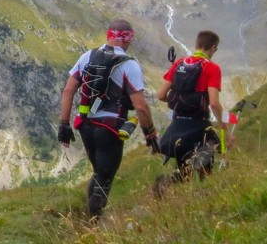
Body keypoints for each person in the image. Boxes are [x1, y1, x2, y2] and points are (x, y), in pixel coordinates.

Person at [57, 20, 159, 220]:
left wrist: (63, 124)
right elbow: (141, 106)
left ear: (108, 35)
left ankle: (88, 219)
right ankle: (94, 224)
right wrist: (150, 133)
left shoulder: (87, 56)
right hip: (110, 129)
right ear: (129, 38)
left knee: (98, 172)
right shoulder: (129, 65)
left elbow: (68, 90)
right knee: (105, 177)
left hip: (85, 126)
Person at [153, 30, 227, 196]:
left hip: (178, 124)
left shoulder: (179, 63)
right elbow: (214, 102)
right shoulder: (212, 68)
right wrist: (223, 124)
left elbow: (160, 95)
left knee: (184, 168)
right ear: (214, 47)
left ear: (196, 45)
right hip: (200, 124)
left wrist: (178, 103)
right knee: (205, 169)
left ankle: (167, 184)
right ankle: (204, 199)